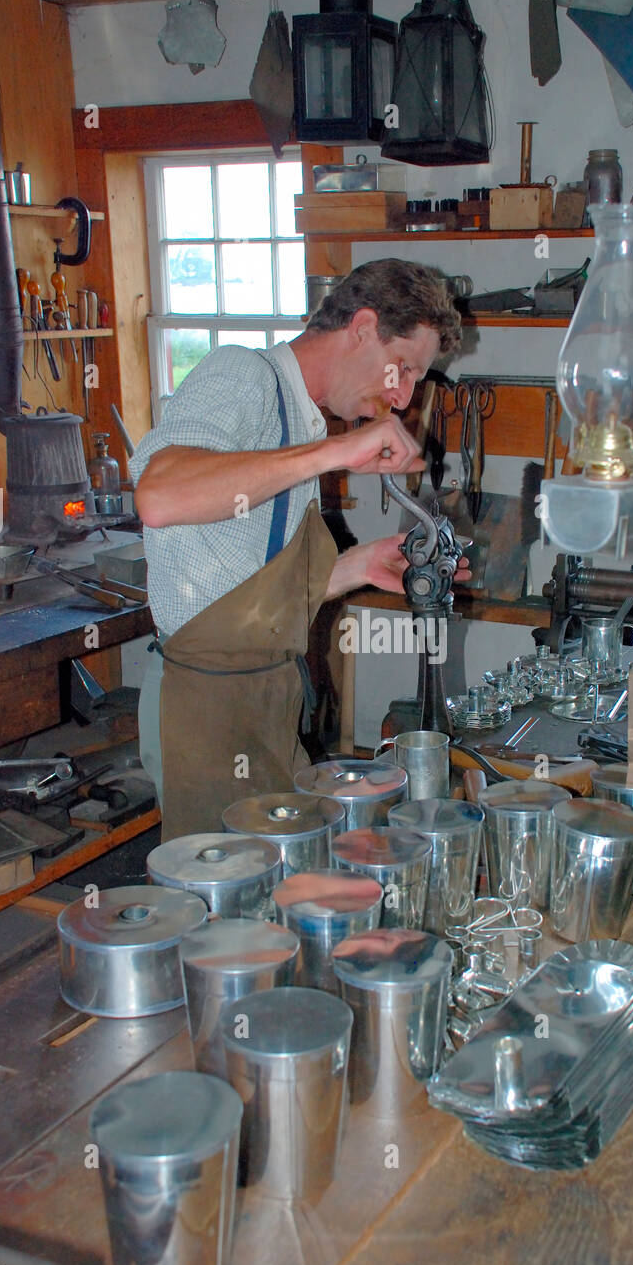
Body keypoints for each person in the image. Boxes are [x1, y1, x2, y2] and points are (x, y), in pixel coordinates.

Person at [129, 258, 464, 840]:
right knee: (228, 912)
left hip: (267, 699)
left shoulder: (303, 423)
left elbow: (242, 581)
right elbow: (160, 494)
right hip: (203, 709)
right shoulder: (243, 376)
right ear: (361, 328)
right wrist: (337, 453)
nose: (405, 396)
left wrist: (358, 566)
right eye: (402, 369)